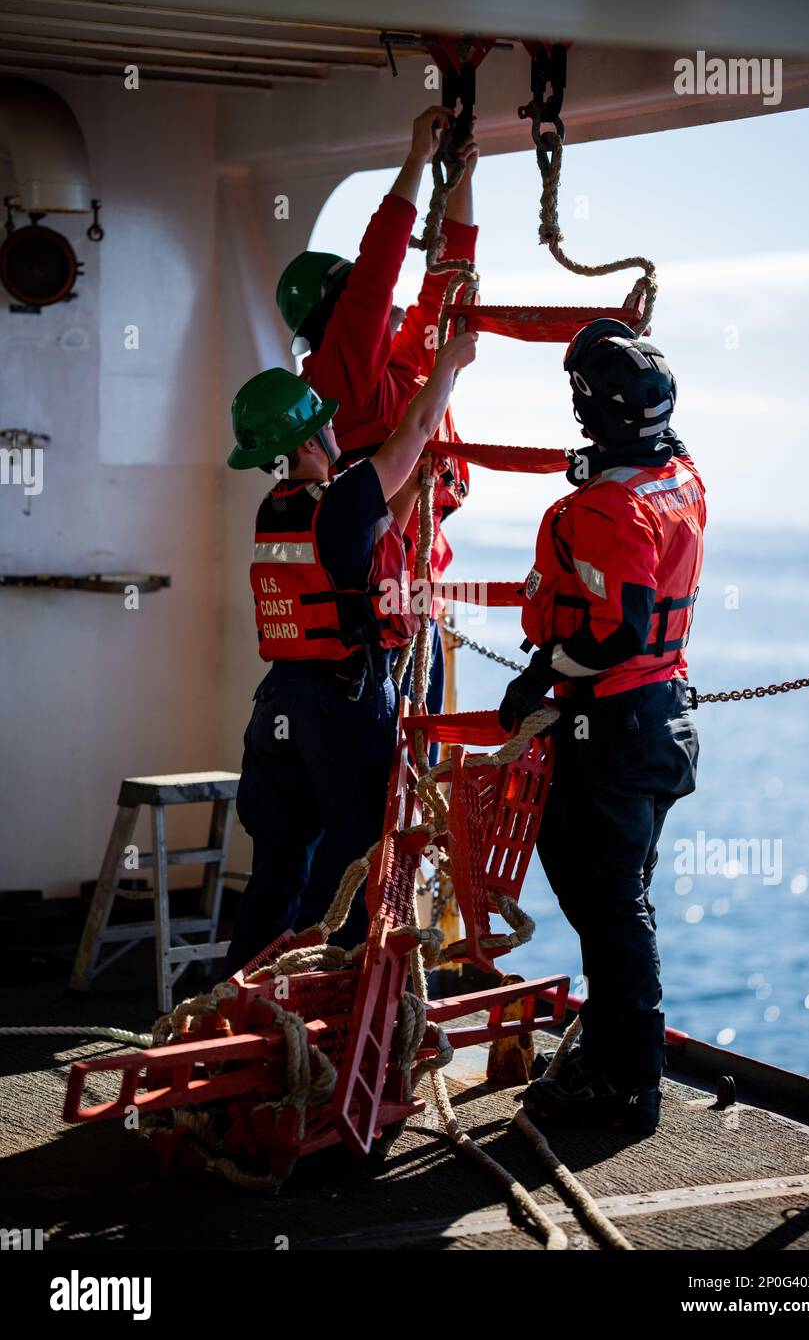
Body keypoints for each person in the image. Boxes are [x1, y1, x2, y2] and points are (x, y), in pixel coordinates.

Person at [498, 319, 706, 1133]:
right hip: (665, 718)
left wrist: (540, 673)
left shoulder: (604, 512)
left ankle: (625, 1084)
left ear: (597, 413)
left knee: (610, 905)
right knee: (618, 901)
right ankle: (616, 1056)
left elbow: (616, 630)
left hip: (614, 727)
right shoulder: (679, 477)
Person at [223, 330, 477, 977]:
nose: (336, 433)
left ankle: (242, 1002)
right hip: (341, 704)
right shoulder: (338, 503)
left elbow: (368, 530)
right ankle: (338, 1001)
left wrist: (414, 491)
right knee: (361, 860)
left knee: (277, 866)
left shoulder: (275, 509)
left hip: (277, 703)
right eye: (326, 426)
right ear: (309, 441)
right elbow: (418, 424)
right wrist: (447, 363)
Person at [275, 106, 479, 715]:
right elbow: (379, 269)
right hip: (383, 624)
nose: (380, 306)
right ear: (336, 318)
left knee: (414, 792)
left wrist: (461, 176)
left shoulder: (399, 368)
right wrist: (416, 157)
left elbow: (450, 284)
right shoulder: (340, 378)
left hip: (416, 608)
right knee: (385, 798)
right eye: (359, 301)